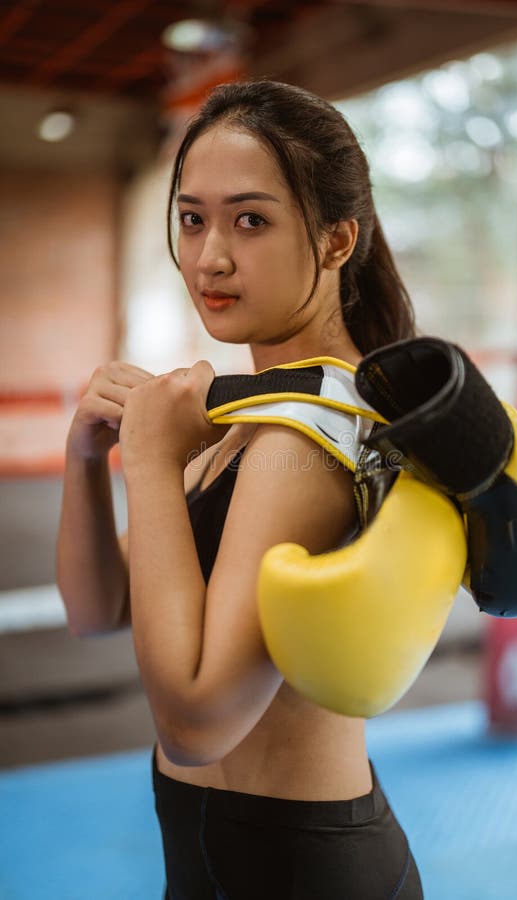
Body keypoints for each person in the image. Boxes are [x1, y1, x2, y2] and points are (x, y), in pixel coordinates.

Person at [56, 79, 423, 900]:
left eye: (250, 220)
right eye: (193, 219)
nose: (209, 257)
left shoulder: (308, 437)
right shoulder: (249, 412)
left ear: (336, 240)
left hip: (302, 870)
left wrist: (151, 463)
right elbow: (95, 609)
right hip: (212, 853)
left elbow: (197, 723)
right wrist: (85, 459)